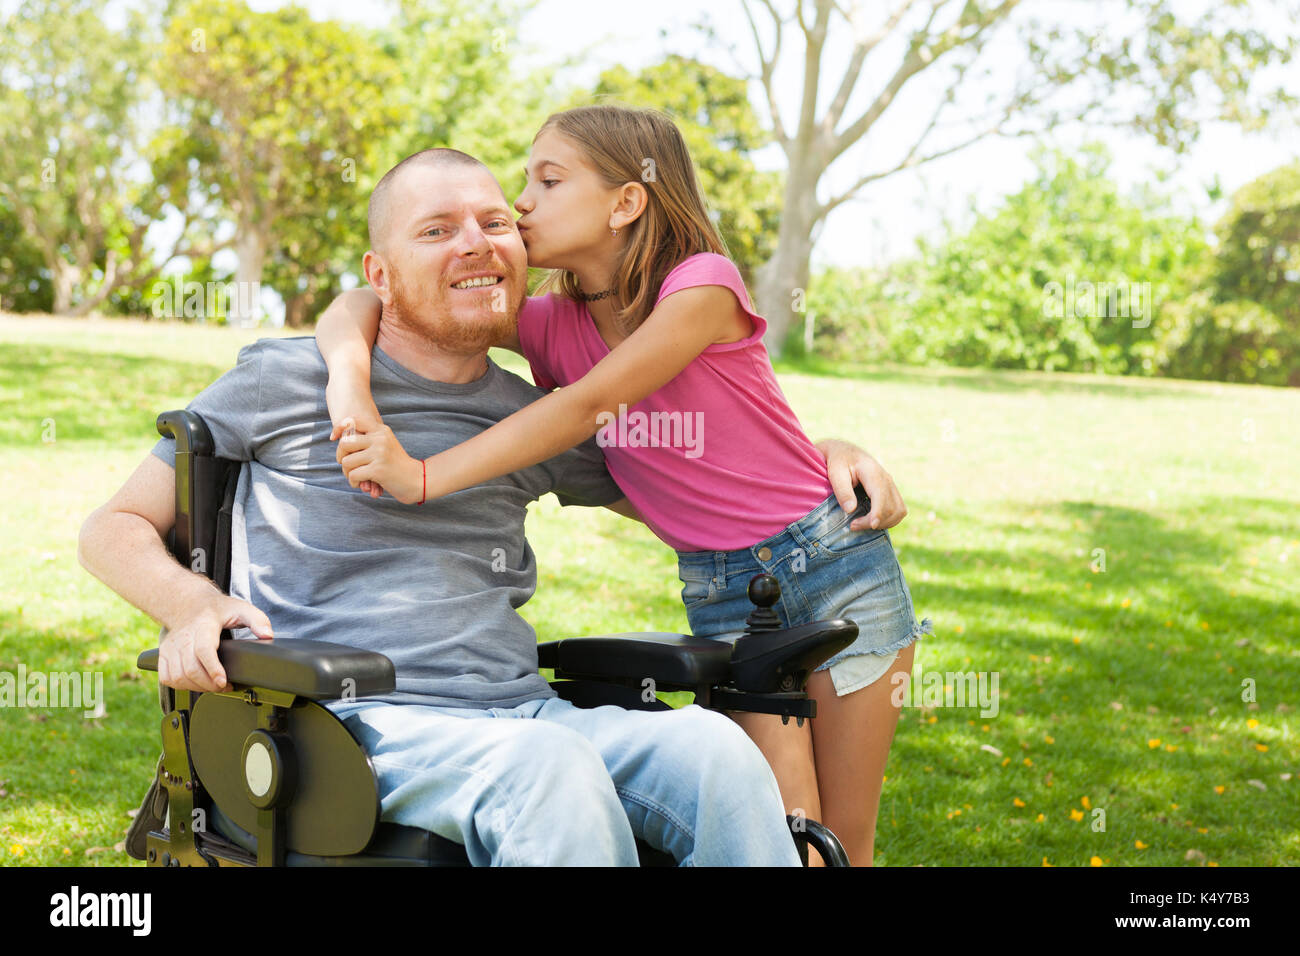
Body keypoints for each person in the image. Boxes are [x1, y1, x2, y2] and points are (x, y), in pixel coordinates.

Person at [78, 147, 884, 866]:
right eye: (436, 230)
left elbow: (701, 479)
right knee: (550, 773)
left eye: (495, 221)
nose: (475, 241)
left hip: (520, 712)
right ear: (380, 274)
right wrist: (191, 604)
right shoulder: (287, 381)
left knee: (714, 750)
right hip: (352, 722)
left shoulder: (532, 416)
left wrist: (828, 458)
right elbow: (112, 527)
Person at [314, 105, 931, 866]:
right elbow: (367, 301)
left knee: (847, 845)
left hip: (833, 564)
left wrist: (422, 476)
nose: (522, 203)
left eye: (548, 179)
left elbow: (586, 406)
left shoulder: (701, 286)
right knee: (788, 833)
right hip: (728, 592)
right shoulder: (548, 325)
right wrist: (349, 387)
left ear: (626, 201)